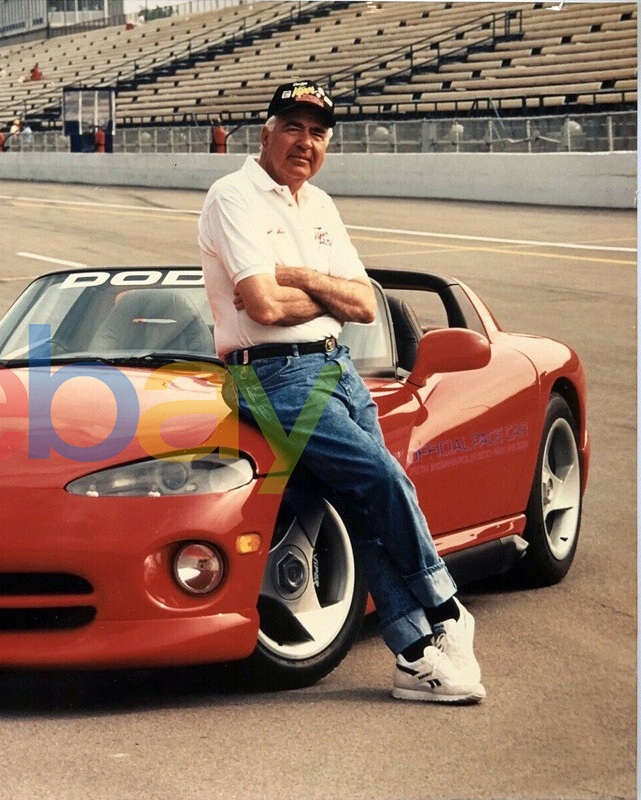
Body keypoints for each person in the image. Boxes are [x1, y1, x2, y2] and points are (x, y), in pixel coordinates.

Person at [197, 80, 485, 704]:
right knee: (382, 479)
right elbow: (263, 306)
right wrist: (325, 292)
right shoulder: (233, 196)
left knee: (363, 507)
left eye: (318, 132)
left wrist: (300, 275)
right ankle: (446, 606)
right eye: (293, 127)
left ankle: (414, 656)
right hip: (271, 374)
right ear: (266, 133)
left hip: (337, 367)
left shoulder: (320, 204)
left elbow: (364, 303)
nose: (305, 142)